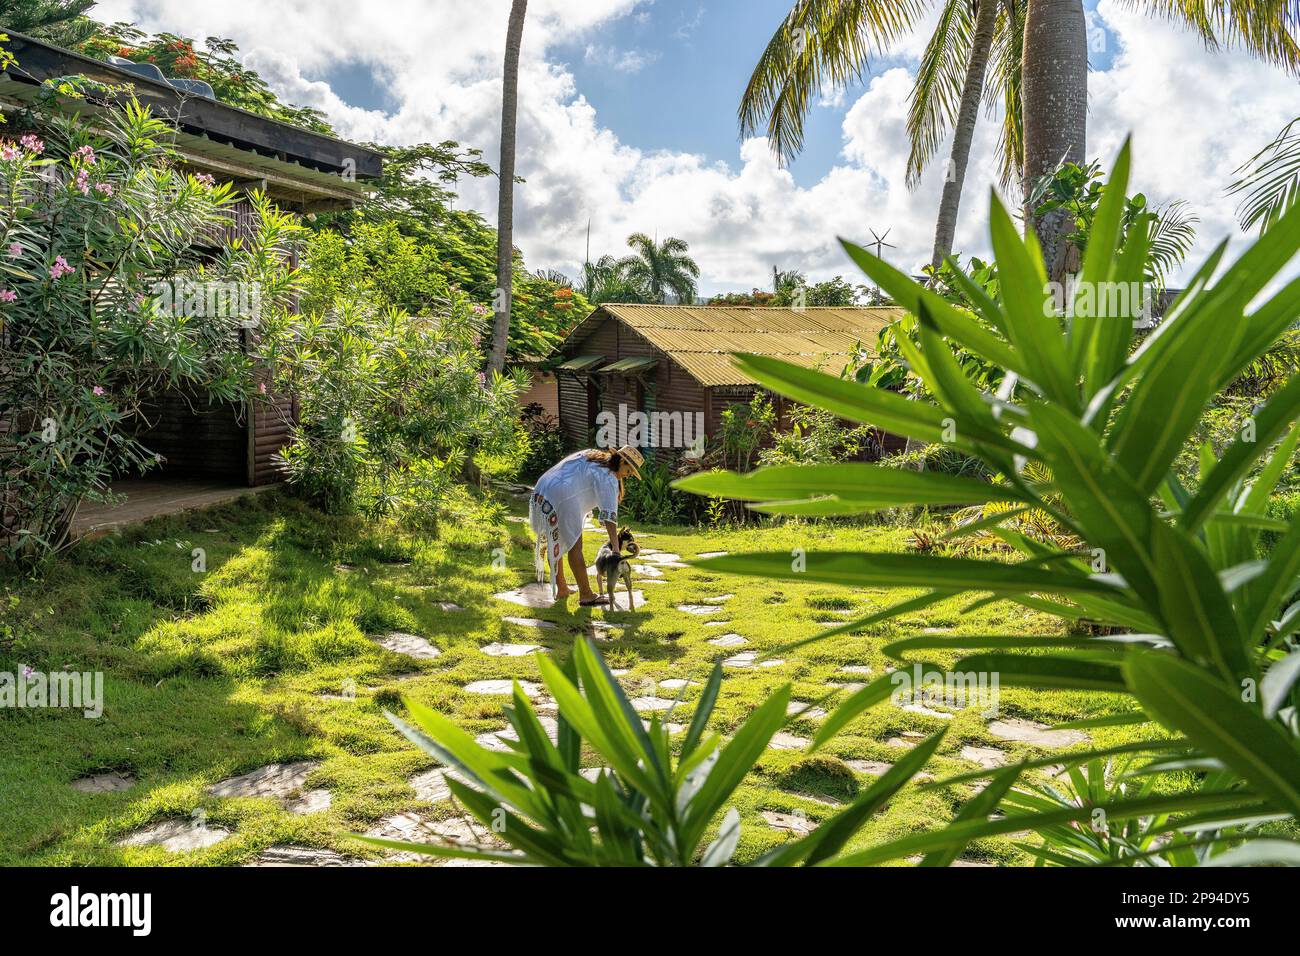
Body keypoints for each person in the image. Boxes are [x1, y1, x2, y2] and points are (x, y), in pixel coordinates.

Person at [530, 445, 644, 606]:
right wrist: (616, 549)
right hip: (564, 494)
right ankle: (586, 594)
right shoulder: (609, 477)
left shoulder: (594, 455)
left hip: (543, 487)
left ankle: (562, 588)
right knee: (575, 545)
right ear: (622, 461)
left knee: (553, 538)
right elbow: (610, 518)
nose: (628, 475)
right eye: (629, 470)